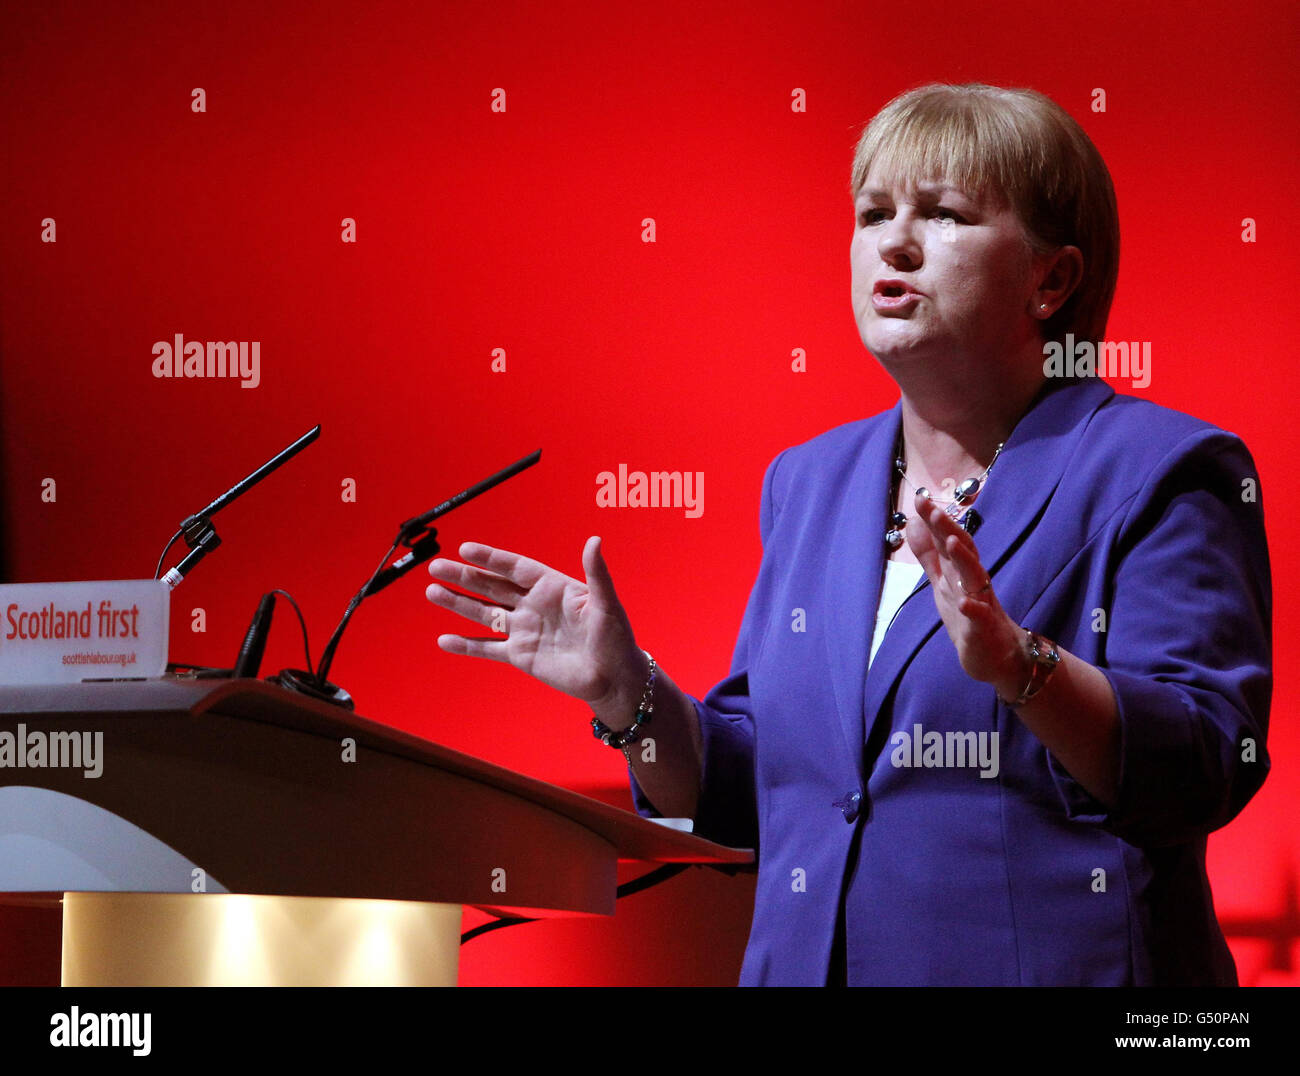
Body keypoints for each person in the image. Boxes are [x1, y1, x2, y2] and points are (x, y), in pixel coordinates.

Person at [426, 83, 1272, 986]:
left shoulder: (1162, 470)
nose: (893, 241)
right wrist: (629, 695)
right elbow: (760, 793)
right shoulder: (811, 482)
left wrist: (1021, 666)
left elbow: (1207, 761)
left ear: (1051, 279)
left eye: (943, 214)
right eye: (874, 213)